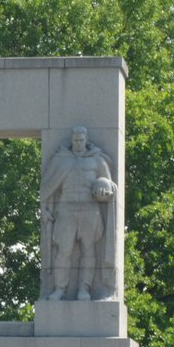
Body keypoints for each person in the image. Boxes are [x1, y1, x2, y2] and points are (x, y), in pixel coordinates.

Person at [40, 126, 118, 301]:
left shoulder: (97, 161)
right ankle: (60, 288)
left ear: (86, 140)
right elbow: (47, 188)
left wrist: (104, 185)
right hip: (66, 208)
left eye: (81, 140)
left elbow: (110, 185)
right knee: (64, 250)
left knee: (88, 249)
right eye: (75, 140)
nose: (78, 144)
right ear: (72, 140)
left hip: (90, 209)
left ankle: (84, 288)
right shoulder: (61, 160)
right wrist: (45, 209)